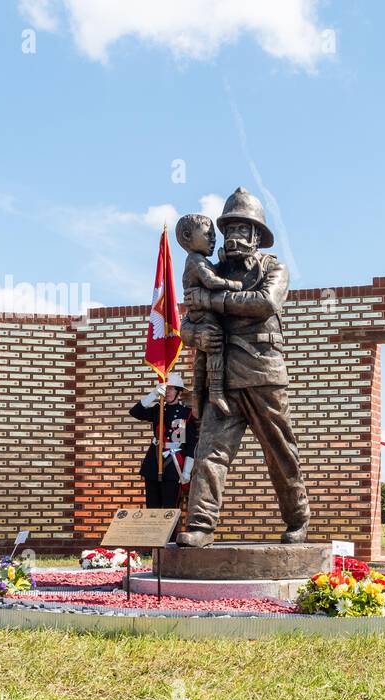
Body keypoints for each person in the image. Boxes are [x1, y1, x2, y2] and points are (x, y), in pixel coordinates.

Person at [177, 187, 310, 547]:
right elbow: (187, 323)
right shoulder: (210, 271)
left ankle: (298, 519)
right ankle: (201, 526)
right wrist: (197, 336)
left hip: (264, 375)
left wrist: (212, 300)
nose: (234, 236)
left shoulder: (274, 269)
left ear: (256, 235)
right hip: (221, 378)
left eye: (242, 229)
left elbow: (265, 302)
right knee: (210, 454)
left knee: (280, 452)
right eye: (229, 229)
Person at [174, 212, 241, 416]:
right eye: (208, 234)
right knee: (214, 345)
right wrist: (233, 284)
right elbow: (211, 281)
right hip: (203, 315)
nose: (213, 239)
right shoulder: (195, 260)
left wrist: (222, 263)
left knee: (201, 358)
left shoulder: (200, 260)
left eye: (214, 235)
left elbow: (210, 275)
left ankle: (197, 396)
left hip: (201, 314)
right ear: (188, 236)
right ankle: (216, 391)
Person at [129, 372, 198, 537]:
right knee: (152, 507)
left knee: (170, 508)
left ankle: (170, 543)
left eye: (171, 388)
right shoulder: (157, 409)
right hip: (153, 463)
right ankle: (152, 542)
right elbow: (135, 412)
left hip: (174, 465)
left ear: (179, 392)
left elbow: (191, 445)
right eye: (165, 388)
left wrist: (187, 471)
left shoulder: (186, 414)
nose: (167, 392)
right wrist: (153, 394)